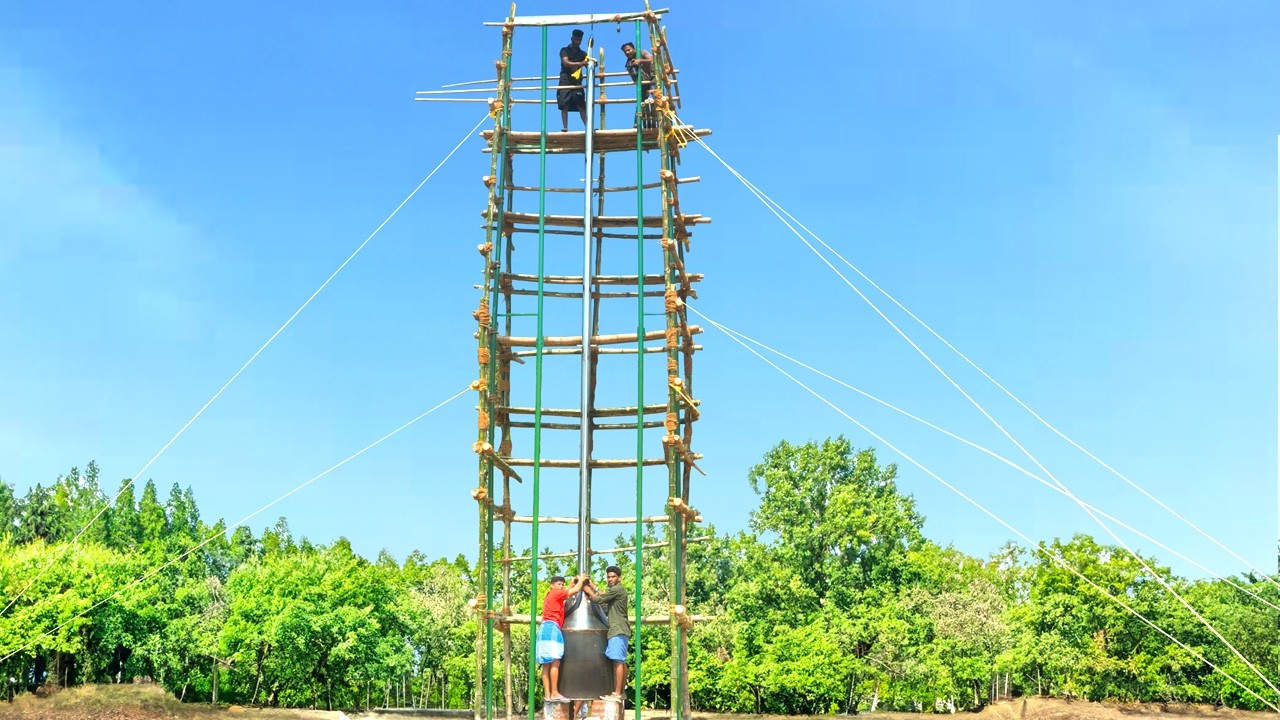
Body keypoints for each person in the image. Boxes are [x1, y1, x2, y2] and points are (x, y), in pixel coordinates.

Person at [538, 573, 587, 703]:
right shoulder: (556, 593)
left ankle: (548, 695)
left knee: (546, 664)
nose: (560, 587)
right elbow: (575, 590)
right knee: (555, 661)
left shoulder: (550, 595)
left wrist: (571, 584)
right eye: (558, 584)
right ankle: (555, 692)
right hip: (552, 628)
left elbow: (567, 593)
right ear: (552, 585)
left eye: (562, 585)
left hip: (544, 629)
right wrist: (581, 580)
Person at [583, 566, 630, 701]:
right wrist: (593, 586)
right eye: (608, 577)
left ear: (619, 578)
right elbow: (604, 595)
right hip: (618, 630)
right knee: (621, 661)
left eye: (613, 577)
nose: (610, 579)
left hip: (618, 629)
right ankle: (621, 692)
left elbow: (599, 600)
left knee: (618, 661)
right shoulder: (614, 591)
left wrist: (587, 589)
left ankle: (617, 693)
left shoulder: (617, 589)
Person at [558, 29, 591, 132]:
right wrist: (581, 64)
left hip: (577, 81)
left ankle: (588, 126)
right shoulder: (564, 50)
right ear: (572, 38)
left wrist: (591, 63)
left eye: (579, 40)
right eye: (576, 39)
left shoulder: (583, 54)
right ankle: (565, 127)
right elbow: (566, 63)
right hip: (565, 80)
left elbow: (589, 64)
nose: (577, 42)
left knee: (581, 104)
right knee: (564, 104)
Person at [620, 42, 655, 129]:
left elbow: (652, 60)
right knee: (640, 102)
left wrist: (640, 61)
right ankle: (637, 123)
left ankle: (662, 117)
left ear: (634, 49)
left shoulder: (642, 53)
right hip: (643, 83)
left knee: (658, 98)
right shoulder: (628, 64)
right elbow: (633, 78)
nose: (627, 52)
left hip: (653, 78)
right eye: (625, 52)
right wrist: (633, 68)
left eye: (628, 50)